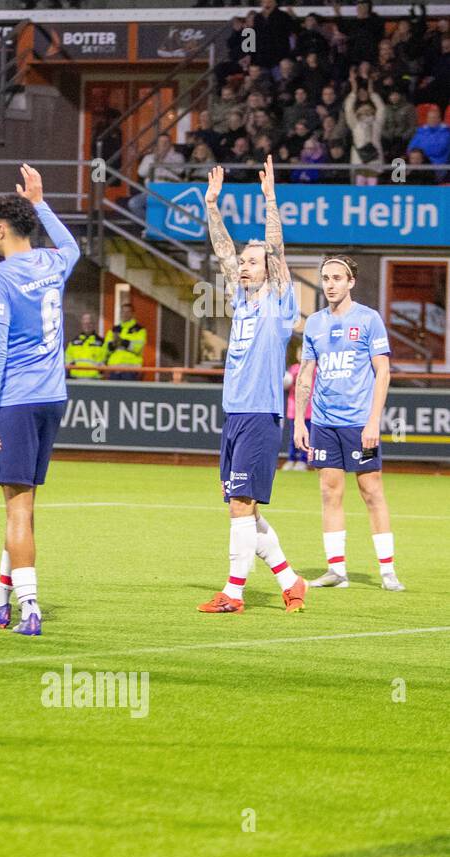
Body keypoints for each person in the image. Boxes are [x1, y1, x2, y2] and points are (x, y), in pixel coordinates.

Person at [0, 166, 80, 637]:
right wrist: (41, 202)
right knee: (23, 501)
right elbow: (74, 247)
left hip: (16, 399)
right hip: (53, 398)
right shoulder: (52, 264)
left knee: (18, 508)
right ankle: (0, 599)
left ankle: (29, 608)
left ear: (0, 228)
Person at [198, 157, 307, 615]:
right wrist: (212, 206)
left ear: (268, 270)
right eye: (241, 261)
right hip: (236, 416)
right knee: (247, 509)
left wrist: (270, 200)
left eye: (250, 261)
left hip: (262, 416)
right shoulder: (242, 303)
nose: (242, 265)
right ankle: (290, 579)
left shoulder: (280, 303)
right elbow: (221, 250)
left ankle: (234, 593)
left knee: (241, 505)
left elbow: (278, 253)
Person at [294, 254, 404, 592]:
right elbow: (306, 375)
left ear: (350, 282)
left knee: (371, 491)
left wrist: (374, 421)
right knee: (329, 492)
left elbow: (382, 371)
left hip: (359, 422)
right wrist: (300, 421)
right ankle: (336, 570)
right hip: (324, 423)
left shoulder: (368, 320)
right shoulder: (313, 323)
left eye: (337, 278)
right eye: (326, 278)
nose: (330, 284)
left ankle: (387, 571)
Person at [105, 301, 146, 379]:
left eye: (128, 312)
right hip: (114, 369)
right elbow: (106, 349)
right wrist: (113, 344)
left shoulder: (139, 330)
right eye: (123, 312)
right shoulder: (114, 329)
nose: (125, 314)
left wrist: (120, 341)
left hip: (131, 370)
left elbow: (138, 348)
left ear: (133, 314)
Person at [64, 312, 106, 379]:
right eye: (85, 323)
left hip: (94, 379)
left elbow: (104, 360)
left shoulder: (101, 342)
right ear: (82, 324)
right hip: (76, 379)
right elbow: (67, 359)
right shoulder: (73, 342)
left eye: (89, 323)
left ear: (93, 324)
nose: (87, 326)